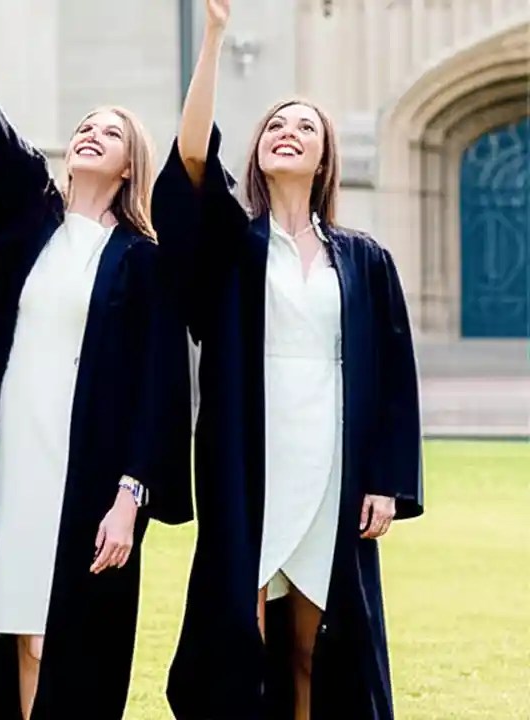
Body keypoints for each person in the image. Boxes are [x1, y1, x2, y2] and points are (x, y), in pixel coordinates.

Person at [156, 2, 424, 718]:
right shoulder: (233, 248)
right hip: (249, 457)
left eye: (305, 126)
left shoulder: (365, 261)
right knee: (241, 633)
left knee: (315, 645)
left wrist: (386, 482)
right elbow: (188, 158)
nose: (287, 133)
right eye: (275, 124)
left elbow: (395, 382)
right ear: (258, 150)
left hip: (331, 460)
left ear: (325, 156)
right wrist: (213, 37)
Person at [0, 1, 193, 718]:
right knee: (19, 629)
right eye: (86, 125)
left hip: (90, 468)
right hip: (14, 452)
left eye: (110, 131)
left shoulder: (144, 263)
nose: (91, 133)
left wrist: (131, 497)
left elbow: (160, 391)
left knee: (66, 640)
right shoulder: (32, 218)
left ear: (129, 162)